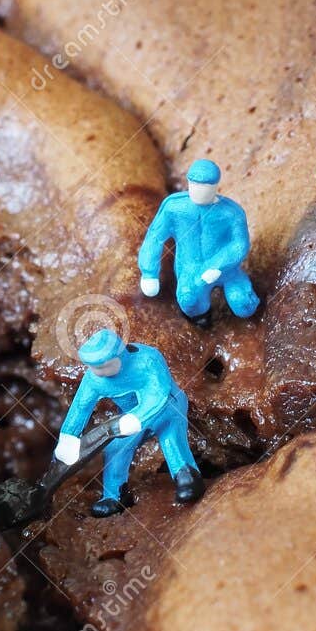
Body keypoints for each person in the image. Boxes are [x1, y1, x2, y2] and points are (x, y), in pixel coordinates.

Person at [53, 329, 203, 516]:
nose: (97, 372)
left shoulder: (148, 359)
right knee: (116, 448)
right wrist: (68, 437)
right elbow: (80, 408)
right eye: (93, 367)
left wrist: (135, 418)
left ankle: (188, 477)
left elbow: (158, 392)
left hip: (167, 406)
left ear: (119, 355)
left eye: (102, 365)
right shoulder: (94, 379)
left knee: (171, 439)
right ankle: (114, 495)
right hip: (128, 418)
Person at [137, 158, 259, 328]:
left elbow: (239, 244)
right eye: (194, 185)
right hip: (190, 269)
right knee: (189, 301)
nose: (199, 191)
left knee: (244, 304)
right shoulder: (174, 207)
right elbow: (155, 237)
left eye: (205, 187)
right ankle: (203, 321)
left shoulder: (231, 213)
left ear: (215, 186)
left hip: (226, 269)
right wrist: (149, 272)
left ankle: (246, 309)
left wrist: (217, 266)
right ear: (189, 183)